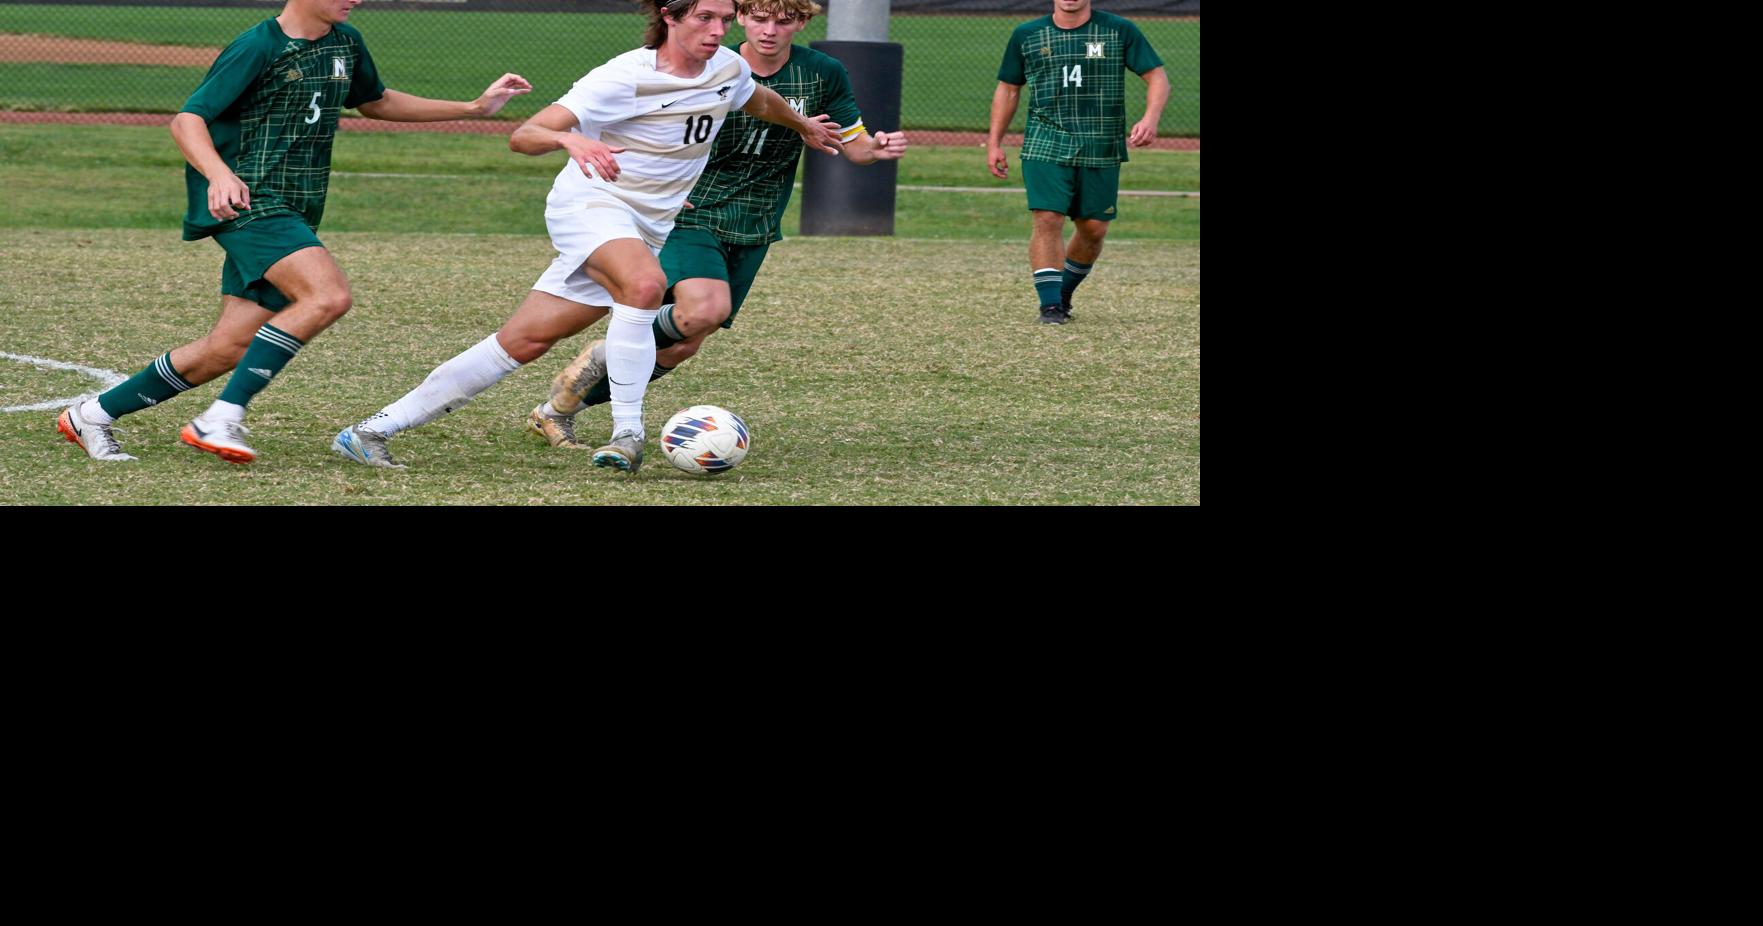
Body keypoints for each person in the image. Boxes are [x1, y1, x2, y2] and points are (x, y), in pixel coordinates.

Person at [330, 0, 842, 472]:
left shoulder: (728, 69)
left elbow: (758, 100)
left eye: (725, 19)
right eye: (705, 17)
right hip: (591, 203)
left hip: (646, 223)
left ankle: (370, 430)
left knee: (523, 342)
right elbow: (524, 136)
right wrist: (567, 136)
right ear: (671, 16)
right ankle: (627, 434)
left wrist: (802, 125)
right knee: (644, 286)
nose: (718, 30)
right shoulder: (623, 76)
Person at [56, 0, 531, 463]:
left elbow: (377, 101)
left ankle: (92, 413)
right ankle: (219, 417)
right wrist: (220, 174)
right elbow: (188, 120)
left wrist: (474, 106)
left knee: (228, 347)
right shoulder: (257, 47)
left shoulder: (346, 41)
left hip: (297, 207)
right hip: (248, 201)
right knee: (327, 296)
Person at [528, 0, 907, 448]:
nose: (769, 30)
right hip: (692, 211)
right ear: (742, 18)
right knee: (703, 310)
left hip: (756, 219)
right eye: (759, 18)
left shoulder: (822, 72)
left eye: (783, 21)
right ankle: (614, 353)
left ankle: (557, 408)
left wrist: (876, 147)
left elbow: (854, 145)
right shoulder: (712, 65)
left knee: (687, 340)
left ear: (803, 22)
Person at [987, 0, 1167, 325]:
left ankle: (1063, 294)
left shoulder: (1118, 30)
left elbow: (1156, 76)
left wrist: (1150, 118)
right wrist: (994, 142)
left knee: (1094, 230)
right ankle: (1050, 307)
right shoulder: (1027, 34)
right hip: (1046, 141)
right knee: (1047, 218)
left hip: (1101, 144)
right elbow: (1009, 89)